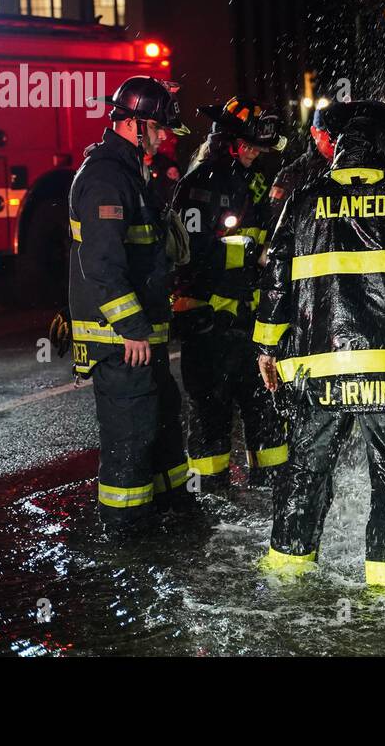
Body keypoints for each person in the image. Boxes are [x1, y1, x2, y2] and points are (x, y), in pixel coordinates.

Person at [253, 101, 385, 588]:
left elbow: (276, 281)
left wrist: (266, 348)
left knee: (305, 475)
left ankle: (286, 576)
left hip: (317, 372)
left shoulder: (302, 202)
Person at [70, 75, 194, 534]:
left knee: (162, 422)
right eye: (159, 129)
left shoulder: (132, 174)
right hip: (122, 342)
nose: (164, 138)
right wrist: (134, 329)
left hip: (142, 339)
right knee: (132, 434)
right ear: (135, 124)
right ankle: (126, 533)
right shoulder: (105, 178)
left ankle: (170, 512)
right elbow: (101, 265)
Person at [169, 96, 287, 492]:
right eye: (250, 144)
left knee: (263, 409)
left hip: (246, 320)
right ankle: (210, 496)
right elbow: (192, 253)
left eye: (259, 146)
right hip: (208, 322)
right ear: (229, 141)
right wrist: (252, 252)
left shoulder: (250, 180)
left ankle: (271, 491)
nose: (256, 152)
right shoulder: (200, 183)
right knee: (211, 412)